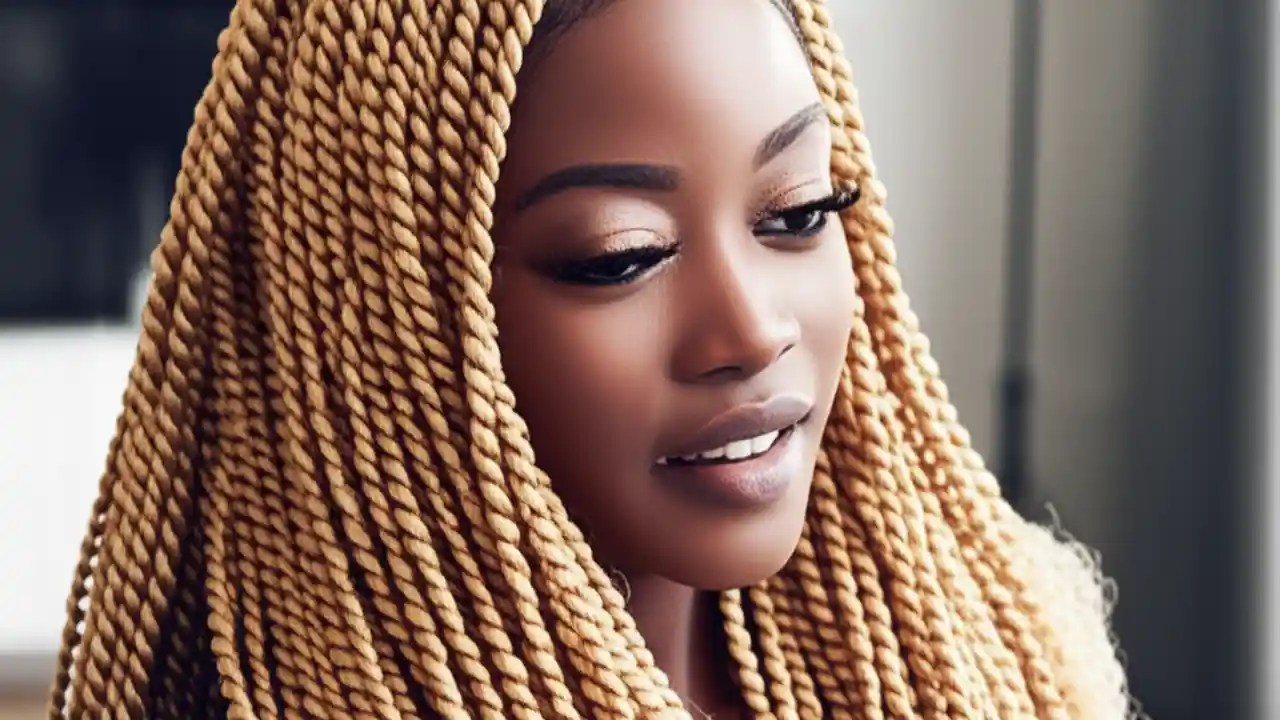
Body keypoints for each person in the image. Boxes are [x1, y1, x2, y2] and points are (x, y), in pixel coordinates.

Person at [48, 0, 1136, 717]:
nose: (752, 330)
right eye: (621, 258)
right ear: (388, 325)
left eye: (800, 211)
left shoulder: (1005, 666)